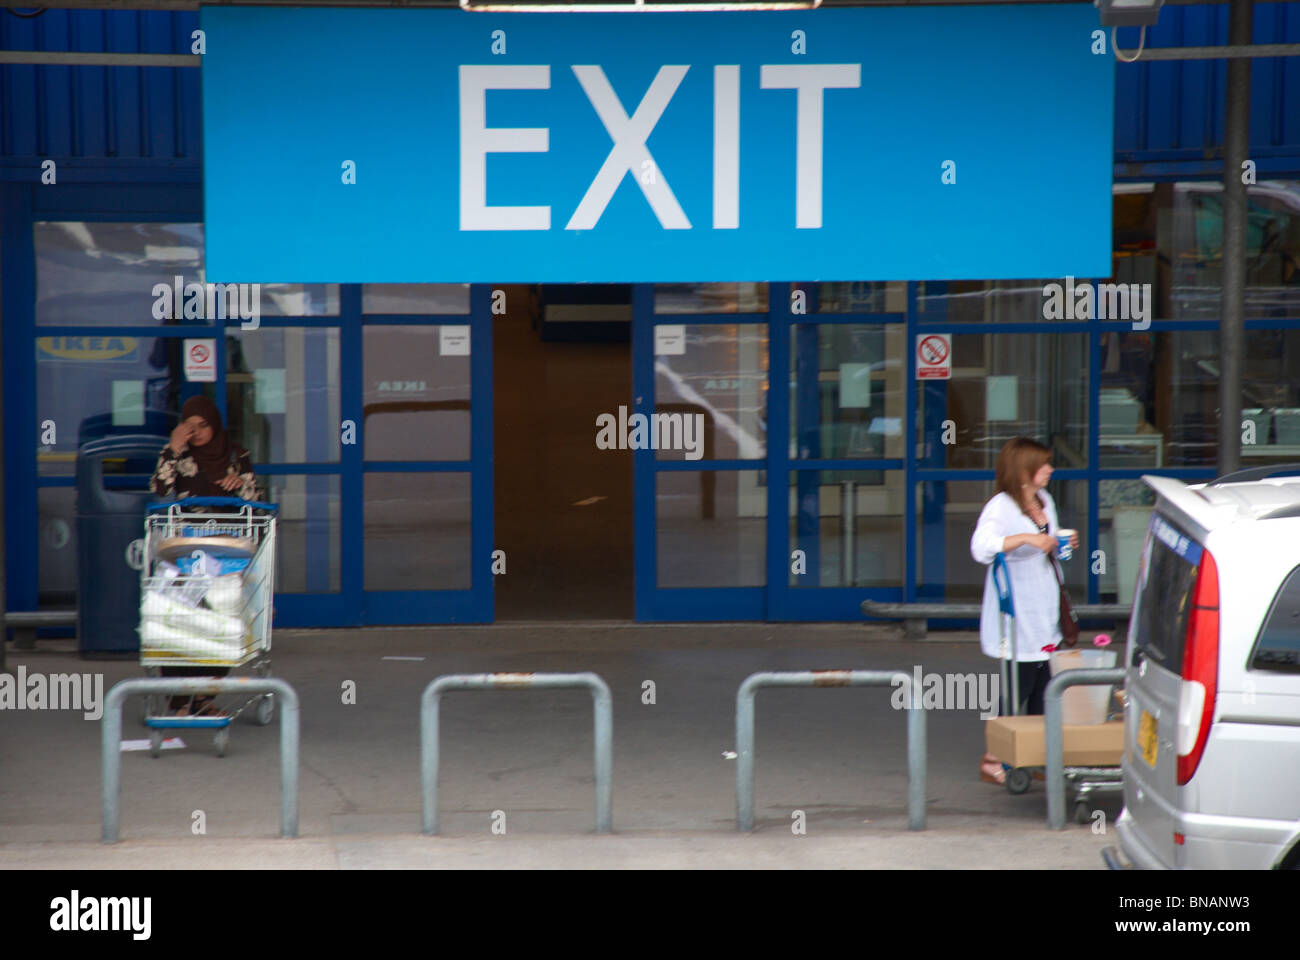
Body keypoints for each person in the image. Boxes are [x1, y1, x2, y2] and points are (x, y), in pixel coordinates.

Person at [969, 437, 1078, 785]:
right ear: (1024, 472)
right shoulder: (1001, 508)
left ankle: (1033, 756)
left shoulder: (1044, 500)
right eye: (1043, 465)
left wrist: (1063, 544)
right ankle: (992, 758)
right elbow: (981, 547)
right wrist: (1027, 539)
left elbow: (1051, 549)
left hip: (1044, 606)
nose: (1050, 470)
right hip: (1017, 614)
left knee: (1046, 685)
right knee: (1018, 687)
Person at [149, 396, 261, 716]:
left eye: (203, 425)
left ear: (215, 424)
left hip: (225, 550)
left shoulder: (237, 454)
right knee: (180, 617)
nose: (196, 432)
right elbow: (159, 488)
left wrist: (240, 486)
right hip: (185, 550)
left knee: (223, 617)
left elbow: (257, 499)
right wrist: (173, 448)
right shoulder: (179, 455)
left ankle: (204, 694)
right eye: (190, 426)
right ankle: (180, 696)